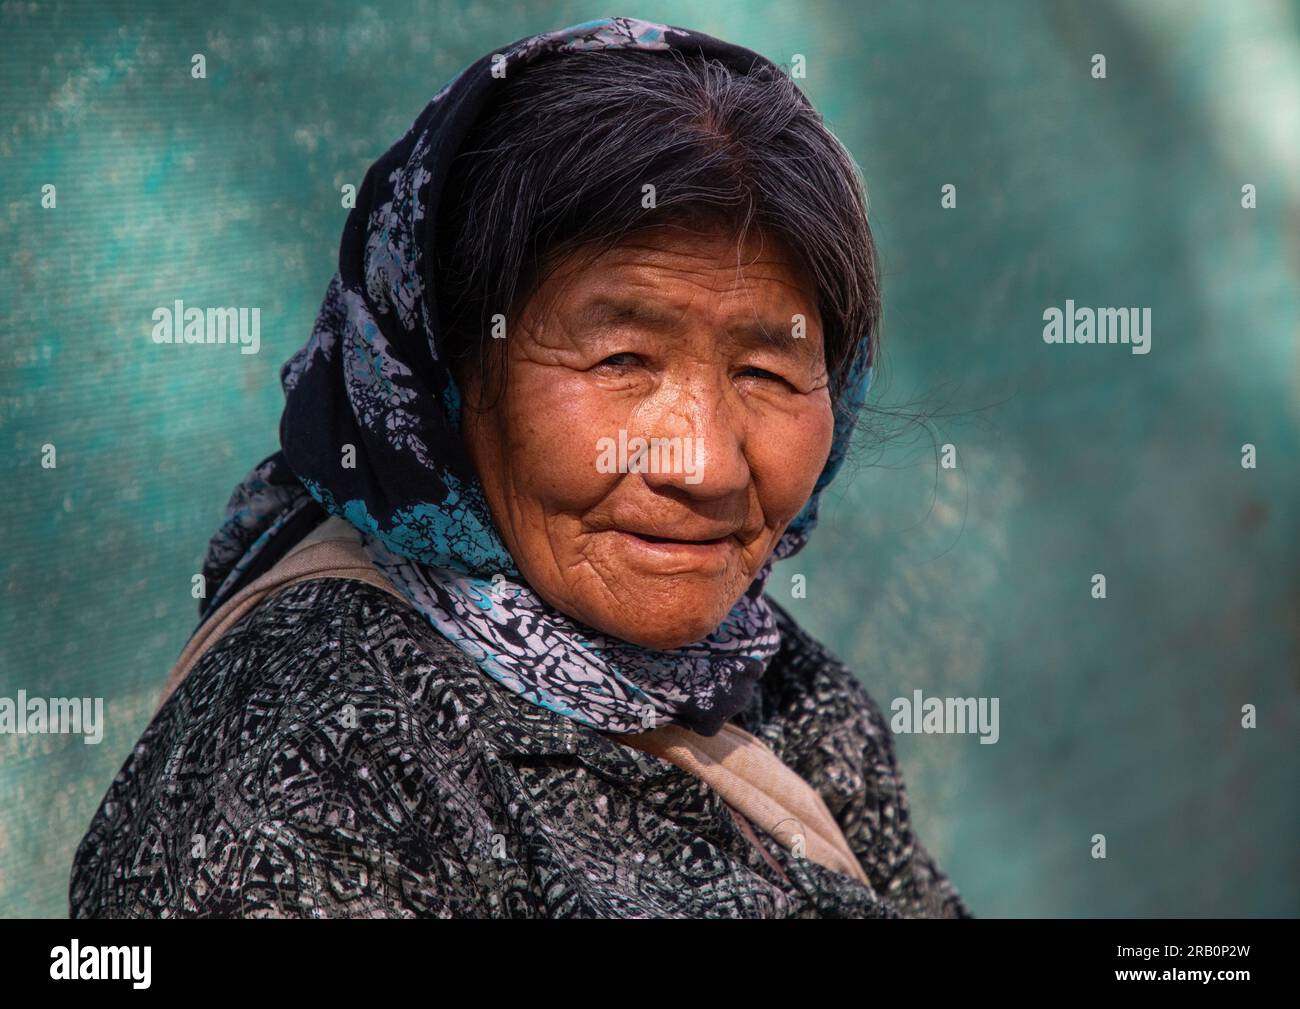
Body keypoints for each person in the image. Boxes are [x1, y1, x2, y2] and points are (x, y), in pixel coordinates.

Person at [70, 15, 970, 919]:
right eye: (620, 360)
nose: (703, 464)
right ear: (443, 371)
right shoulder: (302, 776)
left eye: (767, 371)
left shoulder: (762, 675)